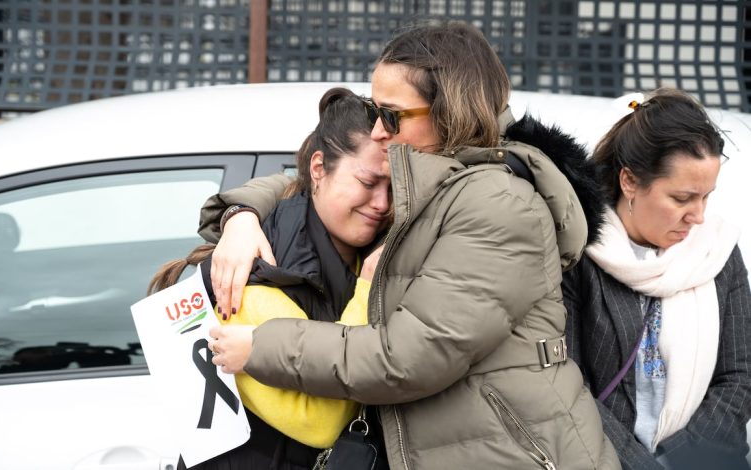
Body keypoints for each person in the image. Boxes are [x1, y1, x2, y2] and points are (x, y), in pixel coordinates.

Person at [198, 22, 620, 470]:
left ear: (449, 112)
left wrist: (260, 347)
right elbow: (309, 185)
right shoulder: (435, 189)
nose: (379, 130)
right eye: (374, 110)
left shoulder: (497, 205)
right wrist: (240, 216)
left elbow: (409, 357)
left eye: (392, 115)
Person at [149, 87, 391, 470]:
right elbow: (321, 421)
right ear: (317, 169)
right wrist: (367, 290)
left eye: (393, 188)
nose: (382, 203)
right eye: (367, 182)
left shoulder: (370, 250)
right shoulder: (248, 275)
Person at [561, 88, 751, 470]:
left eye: (706, 197)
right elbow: (564, 383)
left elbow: (739, 374)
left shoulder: (716, 250)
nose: (697, 215)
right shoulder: (577, 254)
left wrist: (679, 459)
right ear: (630, 181)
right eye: (682, 198)